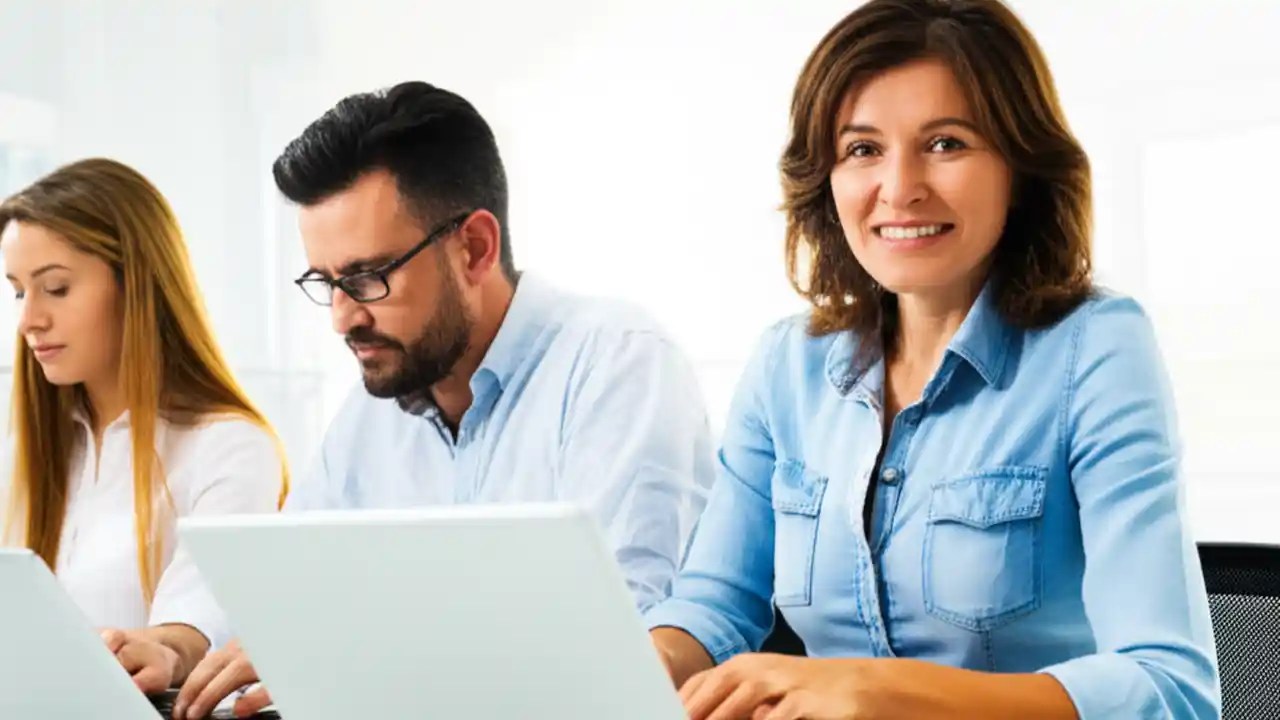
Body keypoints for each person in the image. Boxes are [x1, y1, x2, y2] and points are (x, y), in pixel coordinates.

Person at [644, 1, 1221, 718]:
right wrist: (644, 659)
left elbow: (1169, 687)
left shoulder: (1095, 349)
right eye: (862, 150)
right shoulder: (785, 366)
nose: (899, 187)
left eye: (946, 143)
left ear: (1019, 165)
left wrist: (876, 690)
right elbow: (712, 604)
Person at [173, 81, 715, 719]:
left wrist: (352, 651)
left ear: (475, 248)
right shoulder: (373, 407)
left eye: (368, 278)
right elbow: (286, 597)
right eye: (326, 283)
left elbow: (614, 647)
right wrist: (195, 644)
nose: (342, 319)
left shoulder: (617, 364)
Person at [0, 158, 289, 696]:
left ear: (137, 285)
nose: (28, 320)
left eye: (56, 288)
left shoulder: (228, 447)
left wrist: (163, 649)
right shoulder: (25, 448)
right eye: (19, 291)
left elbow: (194, 626)